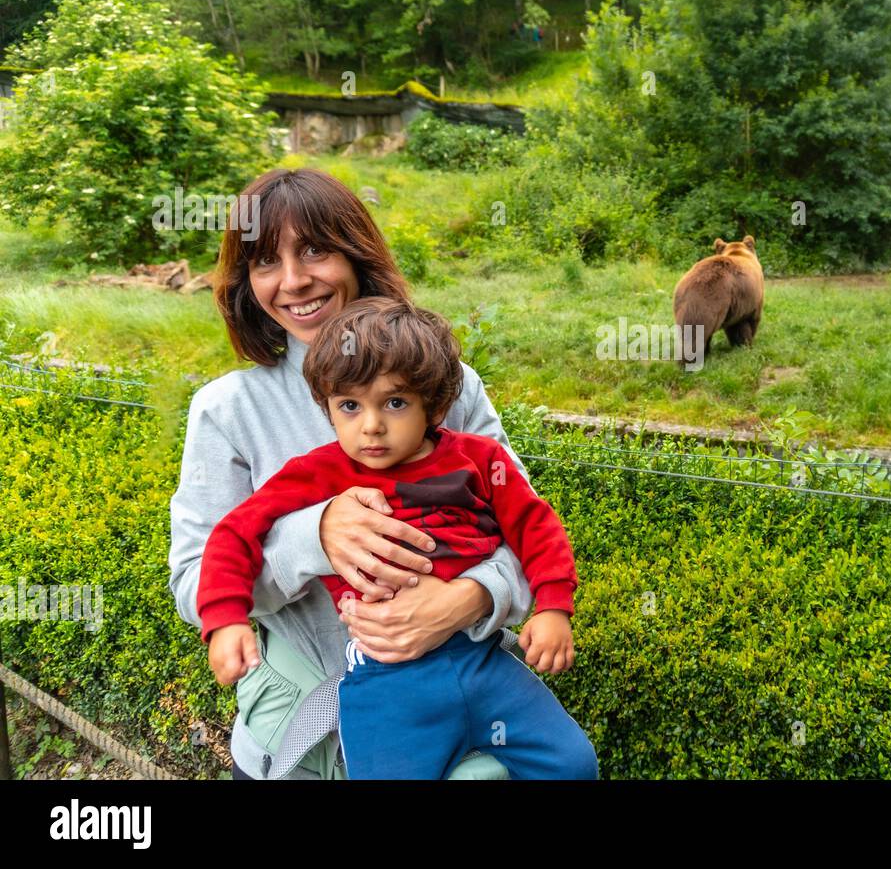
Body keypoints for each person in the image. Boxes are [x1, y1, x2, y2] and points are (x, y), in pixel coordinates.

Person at [168, 167, 534, 780]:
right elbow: (193, 581)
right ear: (243, 283)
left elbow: (528, 528)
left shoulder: (449, 385)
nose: (293, 281)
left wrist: (466, 599)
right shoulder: (228, 410)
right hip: (297, 750)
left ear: (357, 255)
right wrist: (314, 537)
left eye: (314, 250)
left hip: (453, 731)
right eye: (265, 262)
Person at [197, 296, 597, 779]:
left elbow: (535, 525)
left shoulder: (479, 457)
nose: (371, 425)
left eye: (394, 402)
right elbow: (233, 532)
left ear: (435, 403)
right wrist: (225, 618)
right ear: (327, 407)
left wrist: (554, 606)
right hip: (387, 683)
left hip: (482, 661)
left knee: (573, 765)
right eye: (349, 405)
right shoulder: (319, 473)